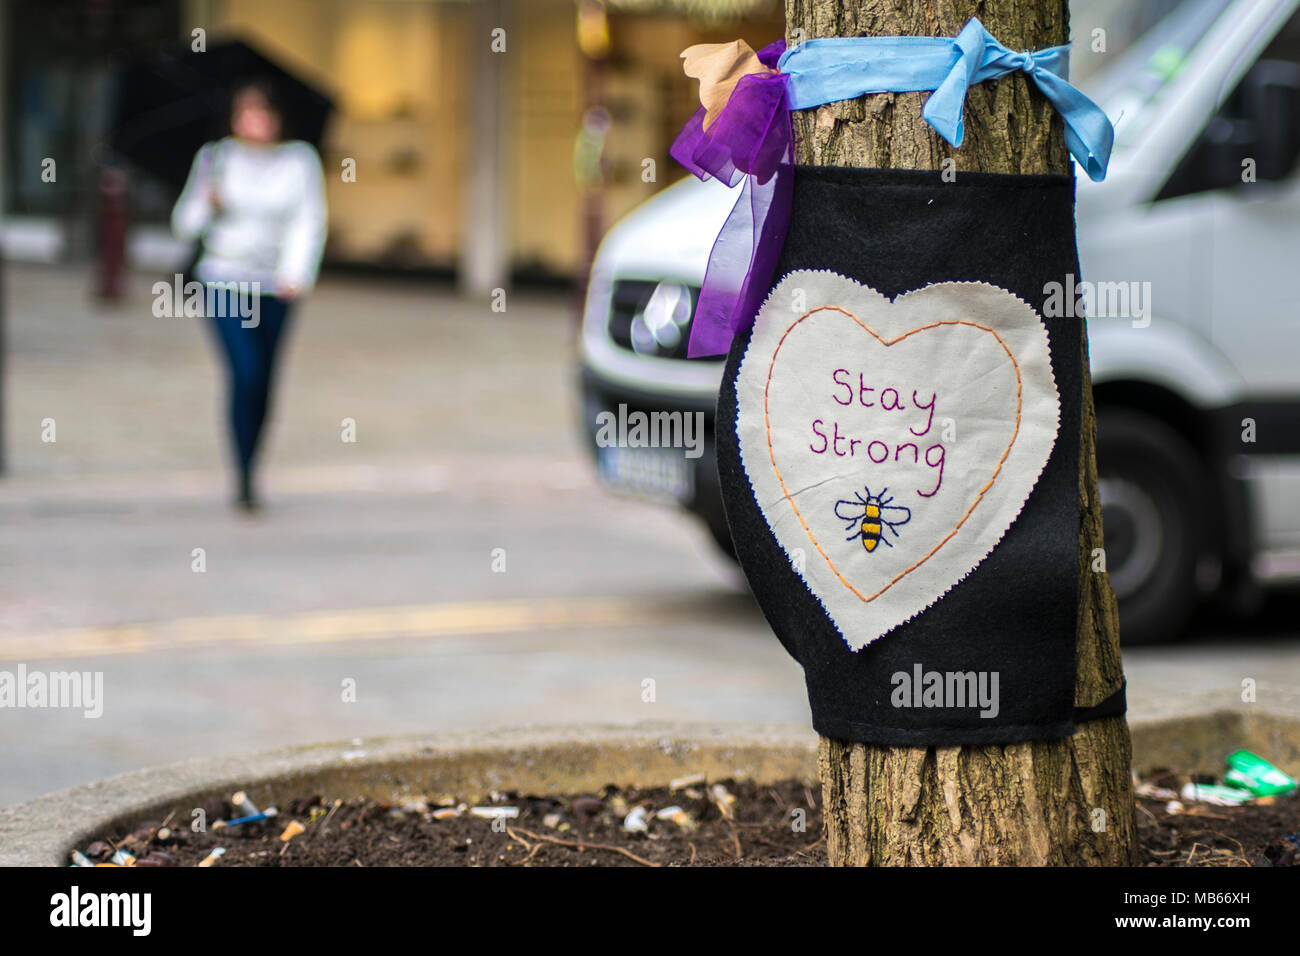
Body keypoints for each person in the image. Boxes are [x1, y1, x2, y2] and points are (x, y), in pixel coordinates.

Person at [172, 79, 327, 510]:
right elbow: (183, 224)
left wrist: (296, 275)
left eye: (262, 112)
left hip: (276, 286)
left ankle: (251, 465)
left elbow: (308, 220)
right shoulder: (215, 158)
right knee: (246, 372)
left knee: (266, 382)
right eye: (246, 112)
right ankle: (241, 473)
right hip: (223, 280)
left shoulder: (299, 161)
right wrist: (209, 202)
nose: (254, 121)